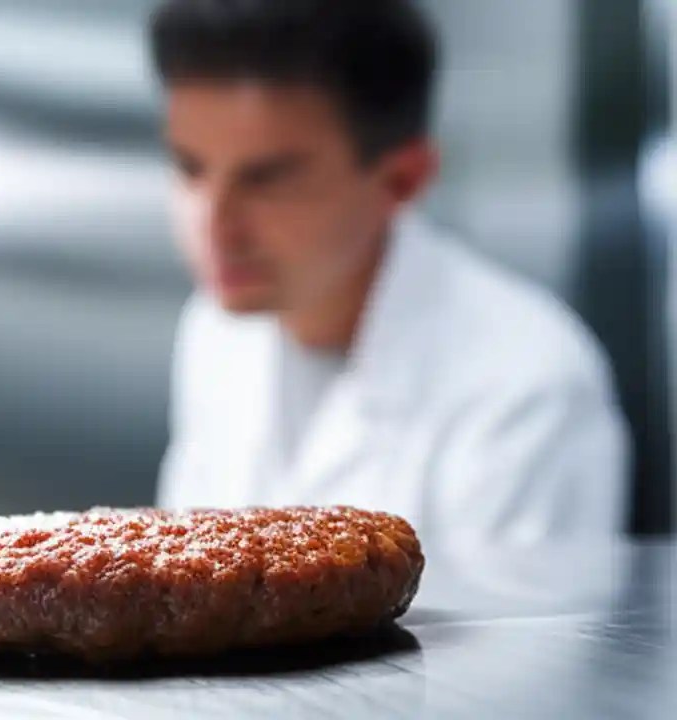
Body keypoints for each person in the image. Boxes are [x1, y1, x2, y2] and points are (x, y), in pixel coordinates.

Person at [150, 0, 629, 544]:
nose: (214, 226)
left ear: (402, 179)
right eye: (190, 168)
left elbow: (528, 629)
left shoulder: (528, 387)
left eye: (267, 180)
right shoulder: (215, 330)